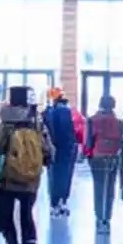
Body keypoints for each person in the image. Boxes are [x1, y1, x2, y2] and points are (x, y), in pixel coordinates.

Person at [0, 94, 54, 244]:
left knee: (5, 217)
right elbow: (48, 150)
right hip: (31, 179)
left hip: (8, 178)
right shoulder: (37, 122)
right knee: (27, 214)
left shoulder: (5, 122)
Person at [86, 95, 123, 233]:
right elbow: (121, 142)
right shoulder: (119, 122)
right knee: (110, 188)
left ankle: (99, 218)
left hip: (98, 156)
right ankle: (107, 219)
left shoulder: (92, 120)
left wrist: (88, 155)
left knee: (99, 188)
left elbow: (88, 142)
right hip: (113, 156)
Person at [42, 88, 78, 217]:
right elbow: (72, 132)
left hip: (53, 149)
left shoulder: (47, 112)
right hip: (67, 149)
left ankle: (54, 203)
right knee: (66, 176)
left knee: (53, 176)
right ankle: (63, 201)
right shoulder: (68, 112)